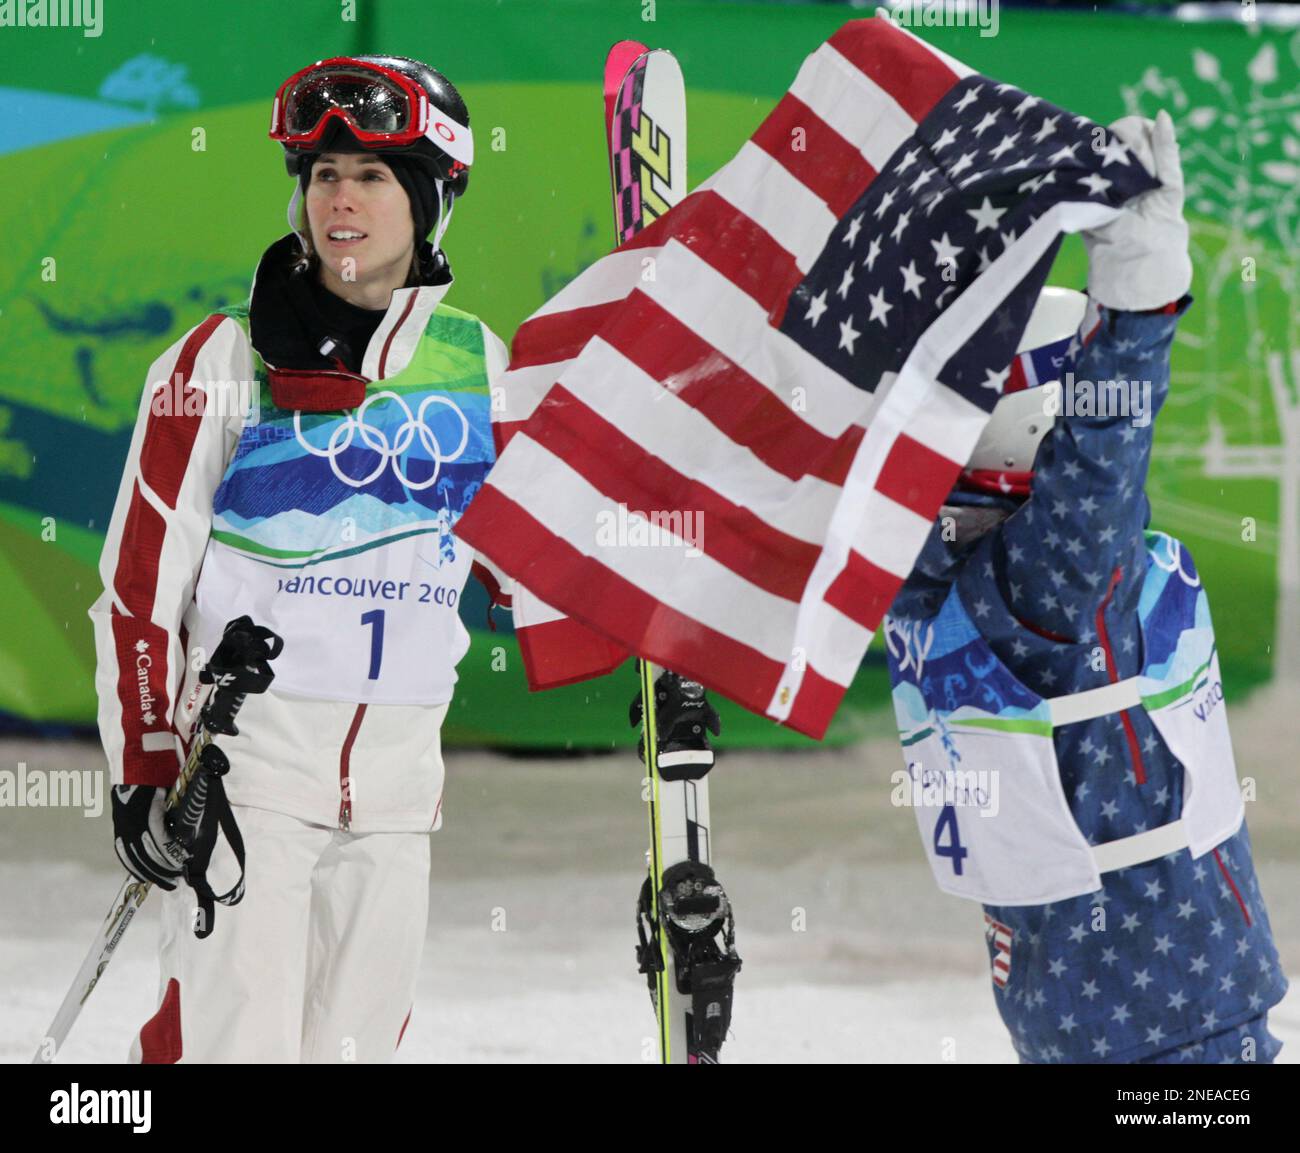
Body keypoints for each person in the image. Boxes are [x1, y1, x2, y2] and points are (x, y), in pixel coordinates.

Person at [89, 55, 511, 1063]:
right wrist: (148, 763)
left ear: (430, 195)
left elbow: (526, 567)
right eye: (323, 174)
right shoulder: (218, 362)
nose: (341, 199)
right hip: (243, 782)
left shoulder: (482, 367)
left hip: (399, 795)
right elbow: (141, 585)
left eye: (371, 175)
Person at [883, 112, 1288, 1064]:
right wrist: (1139, 300)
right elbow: (1102, 455)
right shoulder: (1053, 585)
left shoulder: (914, 576)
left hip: (1060, 1010)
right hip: (1180, 1012)